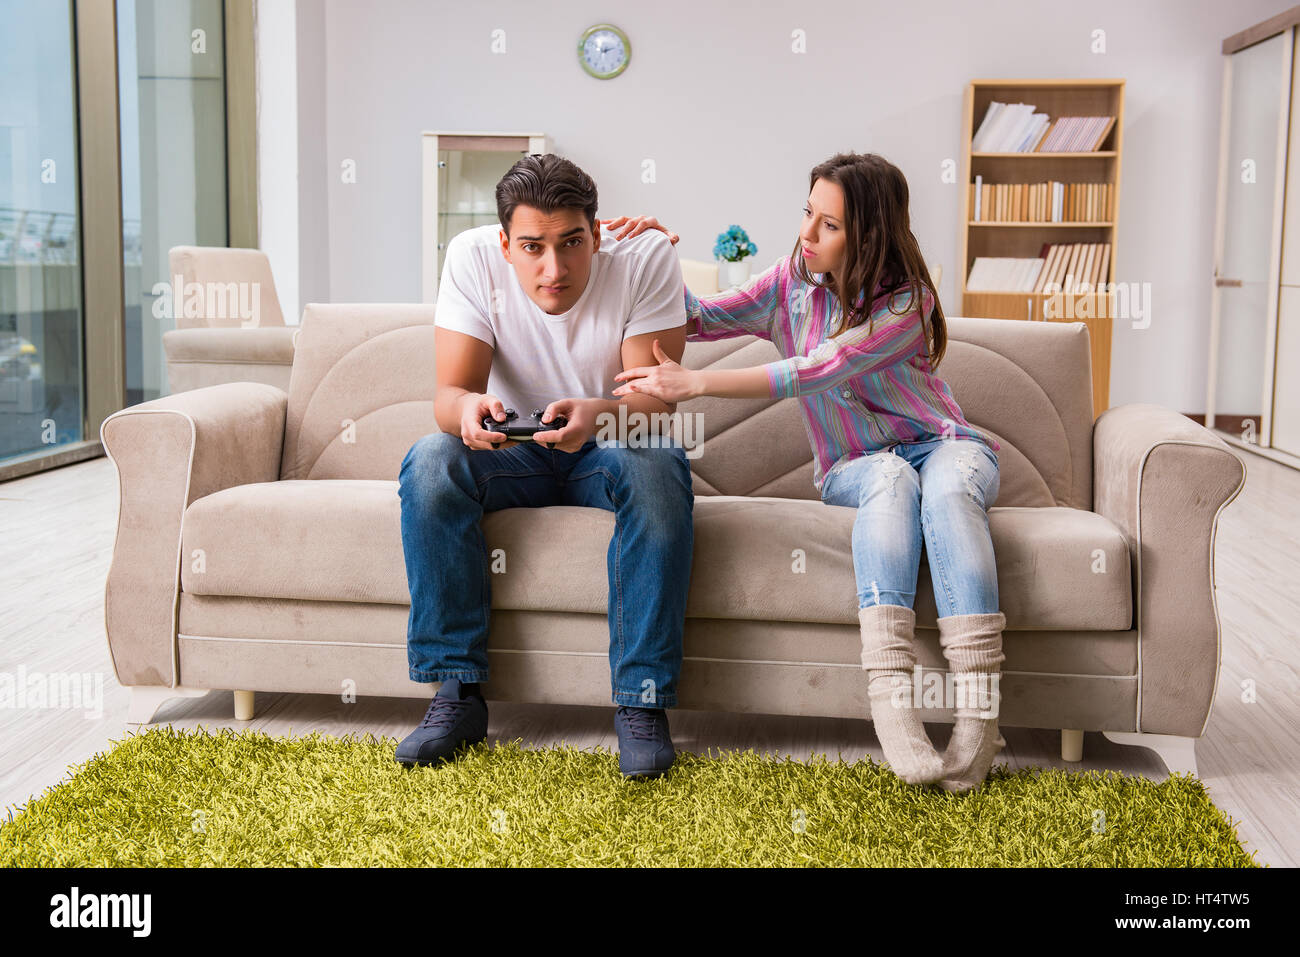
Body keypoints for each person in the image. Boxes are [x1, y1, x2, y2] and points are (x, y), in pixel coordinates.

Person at [604, 152, 1006, 792]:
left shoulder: (908, 302)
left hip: (942, 445)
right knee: (891, 479)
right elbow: (699, 317)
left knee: (949, 491)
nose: (807, 234)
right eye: (807, 213)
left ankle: (979, 720)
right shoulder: (788, 284)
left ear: (870, 235)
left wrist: (698, 383)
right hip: (856, 466)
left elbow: (819, 367)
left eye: (830, 225)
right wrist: (651, 255)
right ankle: (892, 704)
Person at [396, 153, 694, 779]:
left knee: (657, 465)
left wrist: (597, 414)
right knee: (430, 461)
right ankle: (457, 692)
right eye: (532, 247)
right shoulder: (472, 257)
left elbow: (656, 402)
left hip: (611, 443)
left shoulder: (645, 257)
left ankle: (641, 701)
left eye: (571, 243)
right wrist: (469, 410)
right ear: (505, 245)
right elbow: (449, 398)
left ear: (597, 234)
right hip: (513, 451)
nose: (553, 269)